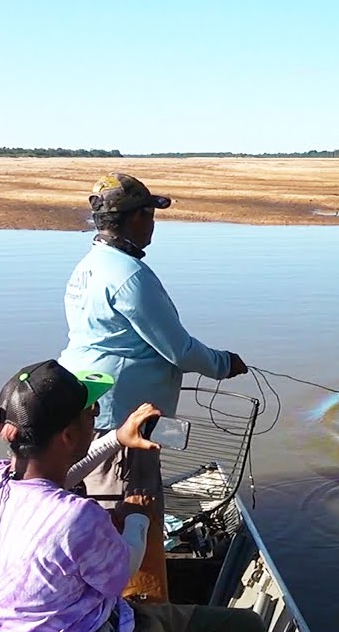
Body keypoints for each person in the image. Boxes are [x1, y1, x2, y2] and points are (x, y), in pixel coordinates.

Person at [0, 359, 265, 632]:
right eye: (91, 410)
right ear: (68, 436)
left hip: (97, 624)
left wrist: (117, 438)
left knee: (244, 630)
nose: (96, 415)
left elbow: (56, 478)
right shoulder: (76, 518)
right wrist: (137, 514)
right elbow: (125, 570)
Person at [58, 172, 248, 601]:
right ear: (131, 218)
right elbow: (178, 349)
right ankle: (137, 610)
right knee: (130, 510)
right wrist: (224, 364)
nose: (154, 223)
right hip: (122, 420)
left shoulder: (88, 266)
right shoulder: (129, 276)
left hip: (89, 403)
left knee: (92, 505)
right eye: (149, 214)